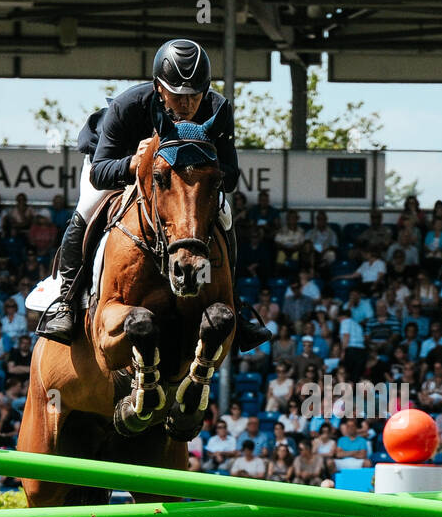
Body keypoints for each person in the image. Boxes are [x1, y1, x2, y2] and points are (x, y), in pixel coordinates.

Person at [33, 39, 269, 351]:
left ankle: (233, 302)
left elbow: (231, 175)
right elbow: (99, 172)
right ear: (158, 87)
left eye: (194, 96)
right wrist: (135, 163)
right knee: (87, 209)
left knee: (223, 213)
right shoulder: (128, 106)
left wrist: (205, 166)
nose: (186, 104)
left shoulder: (218, 109)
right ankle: (66, 301)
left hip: (179, 183)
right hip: (118, 164)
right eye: (177, 95)